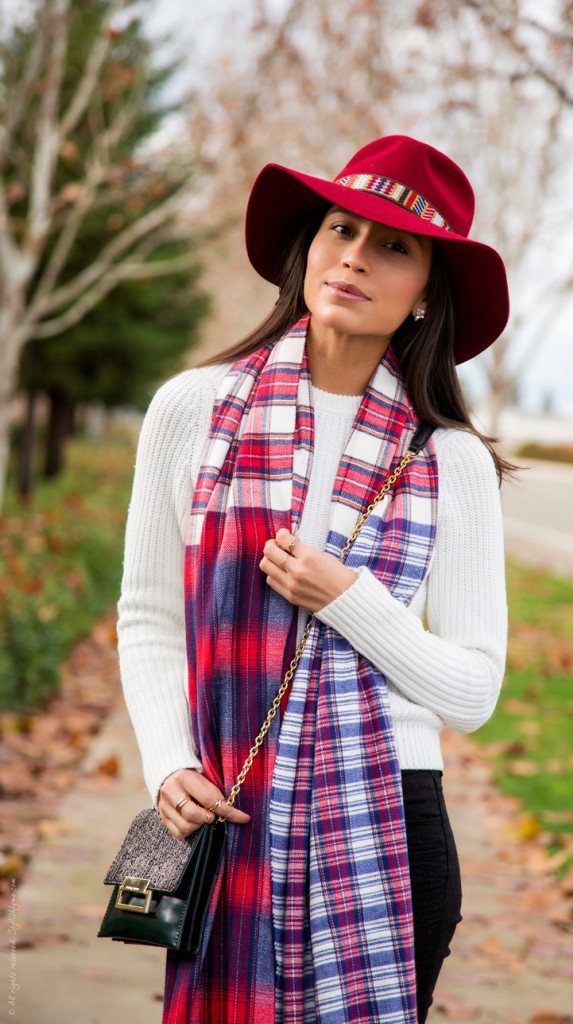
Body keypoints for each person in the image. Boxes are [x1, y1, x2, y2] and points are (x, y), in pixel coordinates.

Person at [117, 134, 510, 1024]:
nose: (356, 257)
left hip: (387, 830)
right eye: (341, 229)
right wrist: (168, 760)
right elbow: (148, 616)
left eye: (394, 246)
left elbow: (474, 690)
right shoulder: (192, 408)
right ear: (310, 247)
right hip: (225, 812)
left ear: (426, 293)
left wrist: (349, 600)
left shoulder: (451, 462)